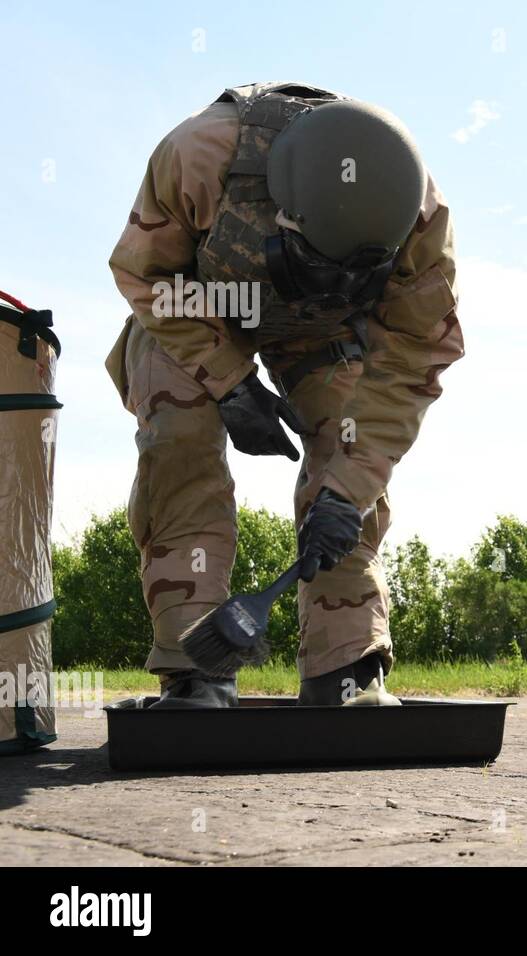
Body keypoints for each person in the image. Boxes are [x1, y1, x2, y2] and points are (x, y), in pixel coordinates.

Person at [106, 82, 463, 707]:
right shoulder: (198, 157)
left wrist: (346, 491)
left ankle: (345, 671)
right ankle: (197, 671)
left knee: (346, 461)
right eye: (320, 259)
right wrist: (231, 380)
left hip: (324, 329)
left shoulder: (420, 219)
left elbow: (410, 359)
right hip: (194, 310)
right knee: (179, 442)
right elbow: (147, 274)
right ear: (284, 213)